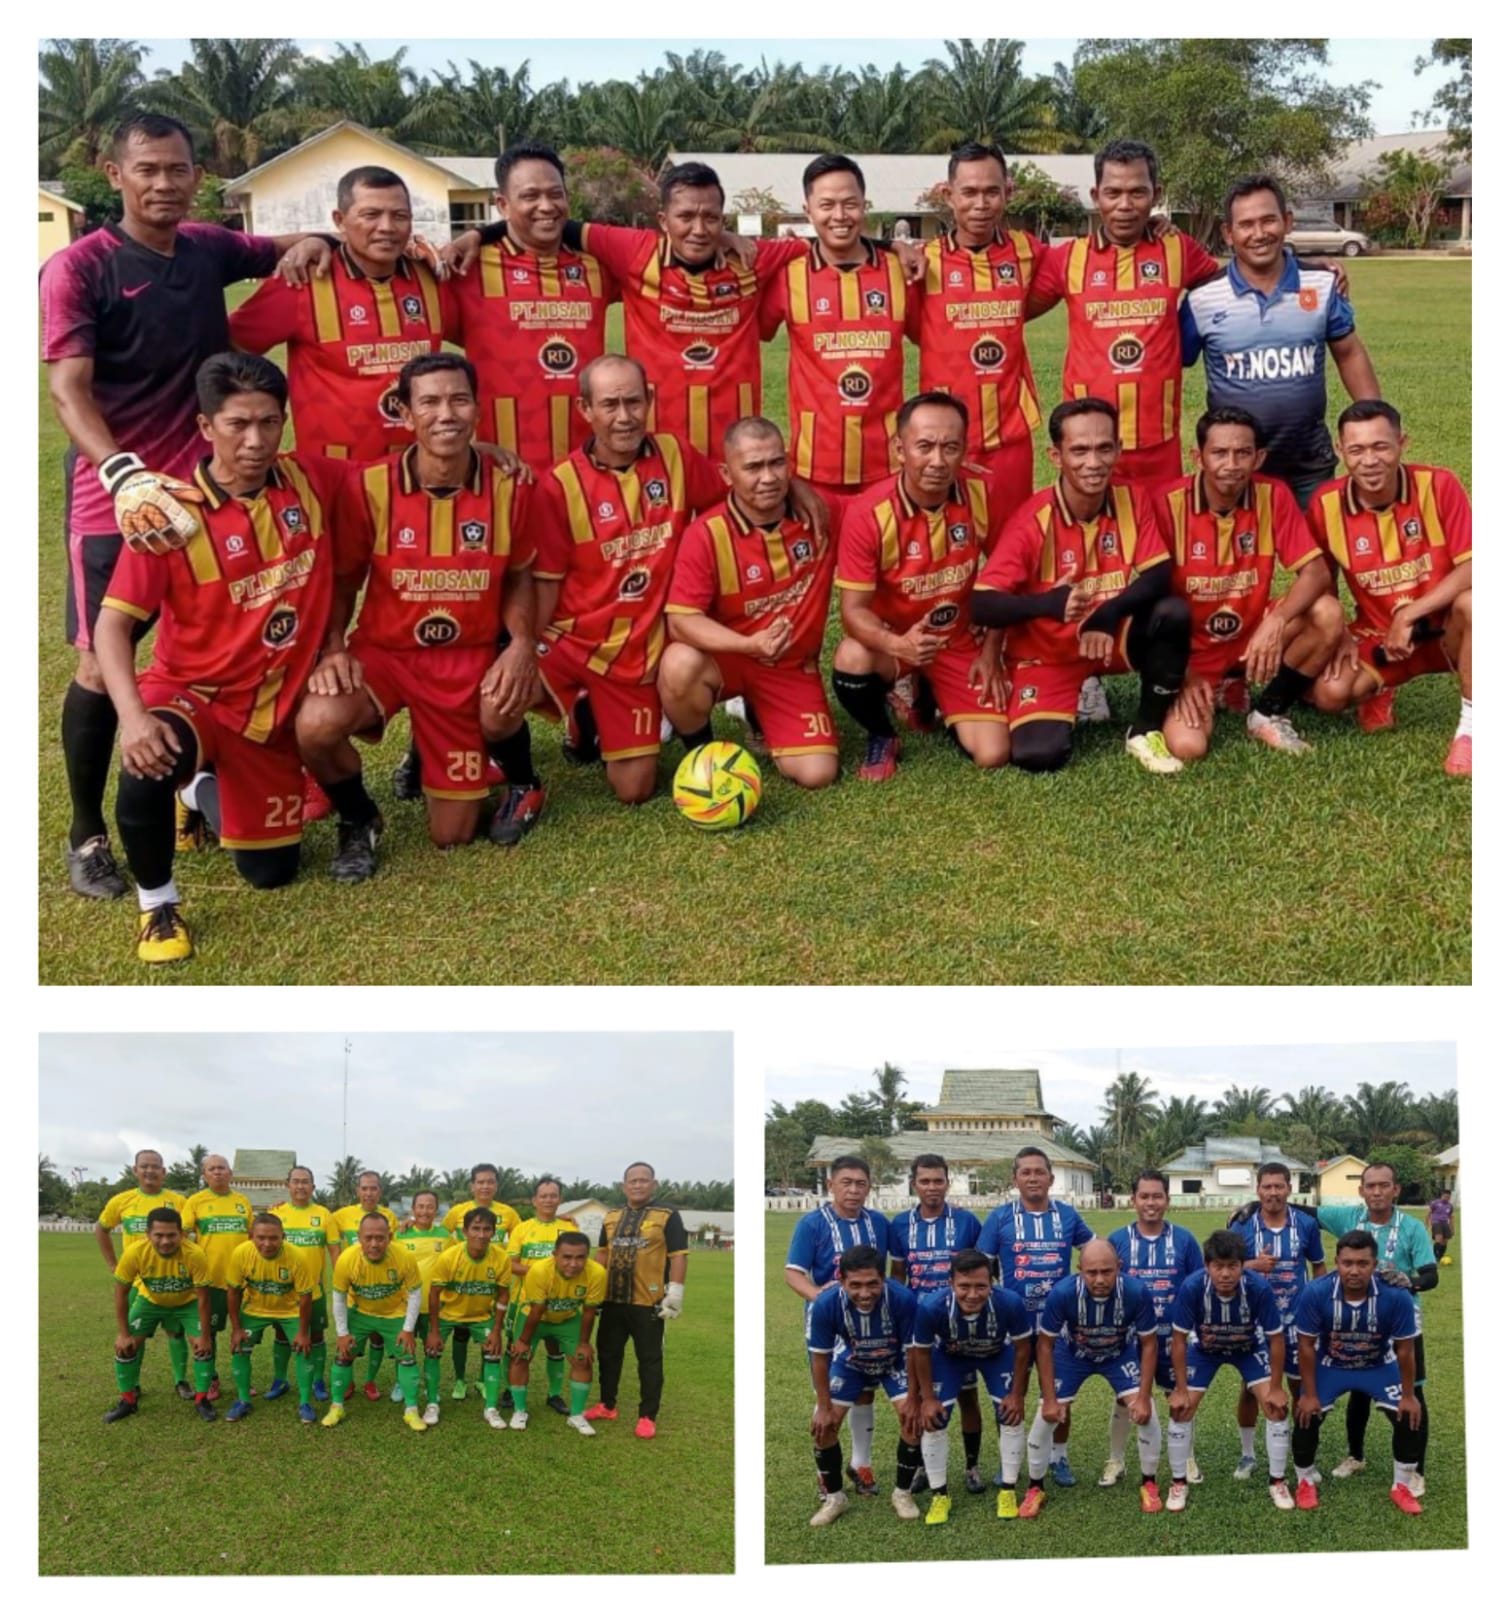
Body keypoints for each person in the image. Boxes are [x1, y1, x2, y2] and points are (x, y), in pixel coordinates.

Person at [40, 111, 329, 899]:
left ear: (197, 174)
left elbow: (286, 244)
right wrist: (122, 473)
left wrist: (311, 244)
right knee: (100, 664)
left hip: (216, 490)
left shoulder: (207, 246)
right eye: (147, 170)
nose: (163, 184)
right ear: (115, 174)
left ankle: (196, 777)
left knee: (225, 645)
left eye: (177, 169)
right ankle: (86, 832)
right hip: (123, 501)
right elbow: (67, 390)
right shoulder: (79, 267)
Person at [92, 353, 349, 961]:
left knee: (272, 872)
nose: (255, 441)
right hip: (192, 695)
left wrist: (486, 454)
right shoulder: (167, 512)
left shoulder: (312, 480)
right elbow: (111, 628)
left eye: (269, 422)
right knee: (150, 761)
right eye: (237, 424)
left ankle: (196, 793)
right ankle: (158, 906)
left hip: (270, 711)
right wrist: (133, 718)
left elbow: (399, 471)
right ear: (206, 427)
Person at [296, 353, 541, 874]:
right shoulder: (369, 487)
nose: (445, 414)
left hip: (466, 658)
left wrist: (521, 643)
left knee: (453, 835)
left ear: (478, 409)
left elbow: (520, 574)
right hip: (385, 654)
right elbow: (344, 581)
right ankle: (358, 817)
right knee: (316, 724)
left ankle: (512, 776)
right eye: (429, 402)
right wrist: (333, 648)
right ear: (405, 414)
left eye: (458, 400)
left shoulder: (510, 487)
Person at [452, 160, 811, 454]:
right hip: (651, 448)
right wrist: (479, 234)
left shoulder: (751, 259)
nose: (699, 229)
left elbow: (812, 247)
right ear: (663, 221)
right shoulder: (634, 251)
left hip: (734, 448)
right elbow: (556, 224)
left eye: (711, 218)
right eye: (686, 217)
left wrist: (729, 236)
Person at [527, 354, 730, 794]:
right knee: (494, 703)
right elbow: (543, 582)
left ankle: (590, 716)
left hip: (636, 652)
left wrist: (795, 489)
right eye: (610, 405)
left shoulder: (675, 455)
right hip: (571, 637)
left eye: (634, 402)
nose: (625, 417)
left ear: (649, 400)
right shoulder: (560, 485)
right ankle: (519, 780)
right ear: (585, 409)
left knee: (634, 790)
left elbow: (727, 506)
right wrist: (521, 648)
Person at [975, 396, 1192, 774]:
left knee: (1171, 613)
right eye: (1079, 451)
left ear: (1118, 449)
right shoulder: (1032, 519)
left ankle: (1145, 730)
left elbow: (1158, 574)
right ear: (1055, 456)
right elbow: (982, 604)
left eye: (1104, 448)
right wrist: (1048, 604)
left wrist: (1107, 614)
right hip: (1048, 654)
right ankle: (1066, 696)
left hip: (1107, 639)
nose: (1094, 463)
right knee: (1038, 755)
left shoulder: (1131, 498)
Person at [832, 392, 1009, 781]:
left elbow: (1007, 580)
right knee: (851, 657)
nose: (938, 461)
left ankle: (929, 696)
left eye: (951, 447)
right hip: (895, 638)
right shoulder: (867, 513)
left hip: (958, 639)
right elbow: (853, 611)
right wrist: (899, 645)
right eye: (924, 446)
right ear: (899, 449)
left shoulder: (983, 492)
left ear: (964, 449)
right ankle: (883, 734)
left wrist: (992, 651)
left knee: (993, 752)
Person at [1182, 173, 1380, 511]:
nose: (1259, 234)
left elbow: (1348, 353)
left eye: (1268, 220)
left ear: (1287, 222)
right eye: (1246, 225)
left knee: (1317, 546)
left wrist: (1376, 424)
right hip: (1235, 467)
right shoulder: (1203, 298)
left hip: (1308, 464)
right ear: (1228, 233)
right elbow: (1170, 364)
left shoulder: (1321, 284)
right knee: (1237, 548)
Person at [662, 417, 841, 787]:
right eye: (754, 467)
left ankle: (761, 713)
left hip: (787, 666)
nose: (769, 477)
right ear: (727, 474)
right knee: (679, 664)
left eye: (777, 463)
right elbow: (681, 621)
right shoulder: (705, 534)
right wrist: (749, 644)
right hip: (727, 659)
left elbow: (879, 505)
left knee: (818, 774)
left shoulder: (820, 513)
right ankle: (703, 757)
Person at [1157, 407, 1343, 761]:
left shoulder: (1273, 495)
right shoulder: (1167, 503)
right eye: (1219, 453)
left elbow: (1317, 573)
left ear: (1259, 458)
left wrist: (1277, 620)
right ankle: (1220, 684)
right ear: (1197, 457)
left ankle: (1268, 713)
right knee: (1187, 747)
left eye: (1243, 453)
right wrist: (1182, 672)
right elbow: (1153, 604)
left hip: (1252, 634)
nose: (1231, 464)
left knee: (1327, 612)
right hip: (1193, 651)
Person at [229, 165, 450, 461]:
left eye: (399, 216)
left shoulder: (432, 278)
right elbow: (231, 349)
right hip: (333, 475)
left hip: (419, 472)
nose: (387, 227)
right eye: (371, 215)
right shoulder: (302, 279)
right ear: (340, 220)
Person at [1307, 399, 1472, 775]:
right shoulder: (1325, 504)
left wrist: (1409, 614)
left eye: (1381, 446)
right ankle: (1381, 688)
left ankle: (1472, 730)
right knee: (1330, 695)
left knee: (1476, 603)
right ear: (1339, 450)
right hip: (1383, 638)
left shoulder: (1438, 485)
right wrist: (1338, 633)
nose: (1369, 460)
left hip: (1450, 630)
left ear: (1402, 443)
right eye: (1356, 450)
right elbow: (1321, 579)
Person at [443, 141, 619, 471]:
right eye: (530, 196)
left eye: (556, 194)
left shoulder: (598, 267)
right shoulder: (466, 269)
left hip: (588, 468)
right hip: (501, 467)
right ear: (503, 204)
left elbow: (664, 256)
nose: (546, 206)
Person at [760, 155, 914, 497]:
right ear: (808, 210)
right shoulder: (788, 274)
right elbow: (754, 329)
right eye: (827, 205)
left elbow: (932, 336)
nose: (840, 216)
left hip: (889, 463)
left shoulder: (900, 270)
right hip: (813, 466)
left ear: (865, 205)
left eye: (850, 204)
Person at [913, 142, 1045, 521]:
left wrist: (1152, 225)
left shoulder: (1029, 252)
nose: (981, 204)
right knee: (948, 545)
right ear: (948, 195)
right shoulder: (922, 263)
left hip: (1010, 437)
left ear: (1008, 192)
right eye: (969, 192)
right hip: (943, 439)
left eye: (992, 192)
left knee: (1012, 542)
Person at [1307, 1161, 1437, 1495]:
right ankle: (1356, 1456)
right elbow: (1305, 1212)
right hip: (1358, 1322)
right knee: (1360, 1390)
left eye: (1384, 1185)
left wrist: (1410, 1280)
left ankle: (1416, 1471)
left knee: (1413, 1393)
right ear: (1361, 1190)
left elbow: (1431, 1275)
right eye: (1371, 1186)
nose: (1377, 1191)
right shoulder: (1350, 1217)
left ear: (1396, 1190)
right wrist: (1253, 1207)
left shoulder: (1411, 1228)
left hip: (1400, 1323)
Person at [977, 1148, 1095, 1489]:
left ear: (1050, 1178)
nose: (1032, 1178)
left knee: (1059, 1393)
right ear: (1015, 1179)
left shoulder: (1068, 1216)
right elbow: (981, 1266)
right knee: (1008, 1394)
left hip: (1058, 1327)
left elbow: (1092, 1251)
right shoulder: (999, 1218)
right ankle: (1009, 1460)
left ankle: (1059, 1456)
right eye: (1025, 1172)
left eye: (1039, 1172)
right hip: (1013, 1326)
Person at [1291, 1231, 1424, 1514]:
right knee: (1305, 1414)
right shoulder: (1316, 1292)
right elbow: (1306, 1346)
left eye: (1363, 1264)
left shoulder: (1395, 1295)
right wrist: (1309, 1394)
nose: (1354, 1270)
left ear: (1375, 1265)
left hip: (1378, 1365)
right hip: (1332, 1364)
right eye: (1347, 1263)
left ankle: (1401, 1486)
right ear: (1337, 1262)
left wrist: (1409, 1395)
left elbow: (1405, 1350)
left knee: (1409, 1414)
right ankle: (1305, 1480)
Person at [784, 1154, 891, 1497]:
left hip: (870, 1323)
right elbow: (793, 1273)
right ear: (831, 1185)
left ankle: (861, 1464)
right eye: (846, 1183)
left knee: (864, 1391)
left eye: (861, 1183)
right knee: (827, 1395)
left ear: (869, 1187)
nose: (853, 1190)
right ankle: (825, 1475)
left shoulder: (879, 1223)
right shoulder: (812, 1224)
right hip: (829, 1325)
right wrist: (820, 1298)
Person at [1033, 1240, 1163, 1517]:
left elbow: (1149, 1344)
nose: (1100, 1279)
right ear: (1079, 1269)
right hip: (1072, 1355)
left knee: (1147, 1413)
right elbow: (1044, 1346)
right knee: (1045, 1416)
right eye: (1092, 1273)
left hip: (1119, 1354)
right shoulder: (1063, 1293)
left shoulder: (1136, 1291)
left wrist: (1143, 1397)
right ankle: (1035, 1487)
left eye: (1107, 1271)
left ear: (1119, 1267)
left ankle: (1149, 1483)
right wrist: (1050, 1399)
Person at [1167, 1230, 1292, 1511]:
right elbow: (1178, 1339)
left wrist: (1275, 1388)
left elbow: (1276, 1339)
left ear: (1242, 1265)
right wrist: (1181, 1390)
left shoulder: (1258, 1287)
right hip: (1205, 1350)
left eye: (1232, 1266)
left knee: (1276, 1408)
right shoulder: (1192, 1286)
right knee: (1181, 1409)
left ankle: (1277, 1481)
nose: (1225, 1274)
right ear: (1207, 1266)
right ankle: (1178, 1483)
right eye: (1218, 1266)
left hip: (1248, 1347)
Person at [907, 1248, 1032, 1523]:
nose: (972, 1294)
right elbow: (921, 1353)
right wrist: (927, 1398)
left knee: (1011, 1415)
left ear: (992, 1283)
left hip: (995, 1354)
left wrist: (1017, 1394)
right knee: (934, 1420)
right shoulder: (931, 1306)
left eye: (981, 1286)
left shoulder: (1010, 1302)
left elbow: (1023, 1348)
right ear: (951, 1283)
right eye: (964, 1286)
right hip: (950, 1357)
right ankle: (940, 1496)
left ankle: (1008, 1490)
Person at [806, 1246, 926, 1526]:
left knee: (913, 1419)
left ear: (883, 1278)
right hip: (851, 1363)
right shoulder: (825, 1304)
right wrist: (823, 1407)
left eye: (872, 1283)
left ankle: (902, 1493)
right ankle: (835, 1498)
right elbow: (820, 1358)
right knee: (824, 1427)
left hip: (894, 1361)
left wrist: (913, 1399)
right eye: (855, 1285)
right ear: (841, 1280)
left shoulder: (903, 1299)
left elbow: (914, 1352)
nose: (865, 1292)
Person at [888, 1155, 987, 1494]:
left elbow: (983, 1271)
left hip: (961, 1325)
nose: (932, 1187)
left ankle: (972, 1466)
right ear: (914, 1184)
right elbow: (898, 1276)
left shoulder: (966, 1221)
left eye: (938, 1180)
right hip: (919, 1326)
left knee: (968, 1396)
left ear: (947, 1182)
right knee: (917, 1395)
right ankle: (921, 1466)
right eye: (925, 1181)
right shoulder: (900, 1224)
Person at [1103, 1170, 1204, 1489]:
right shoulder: (1117, 1241)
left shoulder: (1185, 1240)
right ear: (1133, 1200)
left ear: (1167, 1200)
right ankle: (1116, 1460)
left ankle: (1186, 1457)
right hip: (1131, 1339)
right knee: (1125, 1399)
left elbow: (1198, 1286)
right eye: (1144, 1196)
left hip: (1174, 1338)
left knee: (1179, 1397)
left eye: (1157, 1196)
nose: (1151, 1202)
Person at [1227, 1163, 1327, 1479]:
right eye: (1267, 1186)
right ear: (1258, 1190)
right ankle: (1247, 1455)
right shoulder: (1242, 1226)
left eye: (1279, 1186)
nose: (1273, 1192)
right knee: (1250, 1389)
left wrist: (1319, 1307)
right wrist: (1253, 1265)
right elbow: (1224, 1267)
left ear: (1289, 1189)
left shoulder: (1306, 1225)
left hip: (1297, 1321)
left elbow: (1319, 1267)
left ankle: (1302, 1457)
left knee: (1300, 1388)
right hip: (1255, 1322)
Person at [587, 1163, 688, 1439]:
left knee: (649, 1359)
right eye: (633, 1181)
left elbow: (679, 1254)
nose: (638, 1185)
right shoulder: (612, 1216)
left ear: (653, 1184)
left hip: (648, 1302)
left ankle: (647, 1416)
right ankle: (607, 1405)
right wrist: (594, 1287)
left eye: (644, 1180)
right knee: (608, 1355)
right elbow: (602, 1254)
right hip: (612, 1300)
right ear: (624, 1186)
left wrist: (676, 1291)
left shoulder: (667, 1214)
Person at [106, 1206, 216, 1423]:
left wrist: (205, 1336)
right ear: (148, 1234)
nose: (165, 1241)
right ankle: (128, 1401)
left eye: (171, 1235)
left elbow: (203, 1298)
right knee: (126, 1348)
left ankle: (202, 1400)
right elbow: (121, 1293)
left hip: (187, 1303)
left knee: (202, 1347)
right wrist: (123, 1333)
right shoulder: (135, 1253)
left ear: (181, 1234)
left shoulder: (195, 1254)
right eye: (159, 1235)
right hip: (150, 1302)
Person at [323, 1212, 426, 1431]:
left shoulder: (404, 1257)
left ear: (390, 1237)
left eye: (380, 1238)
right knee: (343, 1355)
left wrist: (408, 1329)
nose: (374, 1244)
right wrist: (342, 1333)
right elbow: (339, 1298)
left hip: (394, 1314)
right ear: (359, 1237)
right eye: (368, 1237)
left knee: (407, 1356)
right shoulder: (347, 1260)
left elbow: (416, 1293)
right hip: (361, 1313)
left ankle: (411, 1410)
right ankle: (336, 1406)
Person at [423, 1208, 512, 1429]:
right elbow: (434, 1293)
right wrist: (434, 1331)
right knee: (432, 1351)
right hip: (448, 1314)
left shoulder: (501, 1258)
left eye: (487, 1229)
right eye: (475, 1229)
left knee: (493, 1353)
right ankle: (432, 1403)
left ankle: (491, 1409)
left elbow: (503, 1295)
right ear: (464, 1231)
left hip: (481, 1316)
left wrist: (496, 1330)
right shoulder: (449, 1257)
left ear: (493, 1232)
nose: (481, 1235)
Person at [224, 1213, 318, 1423]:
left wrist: (303, 1333)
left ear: (283, 1237)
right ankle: (243, 1400)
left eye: (274, 1238)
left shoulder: (297, 1257)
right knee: (240, 1348)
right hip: (254, 1309)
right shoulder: (241, 1253)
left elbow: (306, 1297)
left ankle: (305, 1402)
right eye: (261, 1238)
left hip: (290, 1311)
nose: (267, 1244)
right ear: (251, 1236)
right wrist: (236, 1329)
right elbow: (233, 1292)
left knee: (304, 1349)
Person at [511, 1231, 607, 1434]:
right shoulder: (539, 1271)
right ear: (555, 1255)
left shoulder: (597, 1273)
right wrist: (523, 1341)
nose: (573, 1264)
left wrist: (584, 1343)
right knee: (520, 1356)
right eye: (567, 1257)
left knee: (583, 1359)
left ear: (588, 1256)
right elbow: (537, 1310)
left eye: (580, 1257)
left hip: (568, 1318)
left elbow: (589, 1311)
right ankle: (519, 1410)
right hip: (534, 1317)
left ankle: (577, 1415)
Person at [179, 1153, 254, 1402]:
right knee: (208, 1333)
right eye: (212, 1169)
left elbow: (254, 1236)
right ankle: (211, 1379)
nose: (218, 1172)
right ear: (205, 1175)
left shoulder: (242, 1201)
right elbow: (182, 1236)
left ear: (230, 1174)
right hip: (211, 1280)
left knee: (242, 1330)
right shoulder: (196, 1201)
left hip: (243, 1280)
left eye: (222, 1168)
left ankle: (242, 1378)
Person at [505, 1177, 577, 1415]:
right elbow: (511, 1264)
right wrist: (541, 1275)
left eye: (553, 1195)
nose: (548, 1200)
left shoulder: (569, 1228)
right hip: (524, 1301)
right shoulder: (522, 1229)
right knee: (516, 1347)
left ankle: (554, 1394)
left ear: (560, 1199)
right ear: (534, 1200)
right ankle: (510, 1389)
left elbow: (578, 1263)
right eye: (543, 1196)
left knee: (555, 1348)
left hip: (559, 1302)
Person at [325, 1171, 400, 1401]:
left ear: (380, 1191)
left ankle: (370, 1380)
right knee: (349, 1341)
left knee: (377, 1338)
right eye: (364, 1188)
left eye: (373, 1188)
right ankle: (347, 1382)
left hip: (379, 1291)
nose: (369, 1193)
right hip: (353, 1292)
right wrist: (278, 1208)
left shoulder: (389, 1216)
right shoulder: (341, 1215)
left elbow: (394, 1248)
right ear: (357, 1191)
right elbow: (321, 1224)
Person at [270, 1165, 335, 1404]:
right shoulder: (276, 1214)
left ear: (313, 1187)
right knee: (281, 1334)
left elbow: (334, 1250)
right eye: (296, 1181)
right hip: (283, 1291)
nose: (300, 1186)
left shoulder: (324, 1215)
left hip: (314, 1290)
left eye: (305, 1181)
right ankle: (280, 1380)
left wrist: (340, 1278)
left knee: (316, 1335)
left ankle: (318, 1380)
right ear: (288, 1185)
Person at [389, 1189, 452, 1403]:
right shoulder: (400, 1235)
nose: (425, 1211)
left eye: (430, 1207)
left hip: (433, 1305)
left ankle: (430, 1386)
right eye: (421, 1206)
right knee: (404, 1347)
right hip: (405, 1304)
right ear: (413, 1209)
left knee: (432, 1350)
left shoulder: (445, 1236)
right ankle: (401, 1382)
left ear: (436, 1210)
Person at [95, 1149, 185, 1266]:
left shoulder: (180, 1202)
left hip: (170, 1271)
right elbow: (101, 1229)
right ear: (135, 1170)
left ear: (163, 1171)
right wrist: (113, 1264)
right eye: (144, 1166)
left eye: (155, 1167)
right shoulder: (121, 1201)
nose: (150, 1170)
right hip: (135, 1271)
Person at [1428, 1191, 1455, 1264]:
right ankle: (1434, 1257)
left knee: (1445, 1241)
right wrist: (1427, 1224)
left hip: (1445, 1223)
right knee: (1439, 1239)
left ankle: (1440, 1256)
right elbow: (1429, 1213)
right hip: (1436, 1222)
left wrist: (1452, 1228)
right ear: (1442, 1195)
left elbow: (1451, 1217)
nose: (1446, 1198)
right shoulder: (1435, 1203)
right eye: (1445, 1196)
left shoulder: (1450, 1206)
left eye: (1448, 1197)